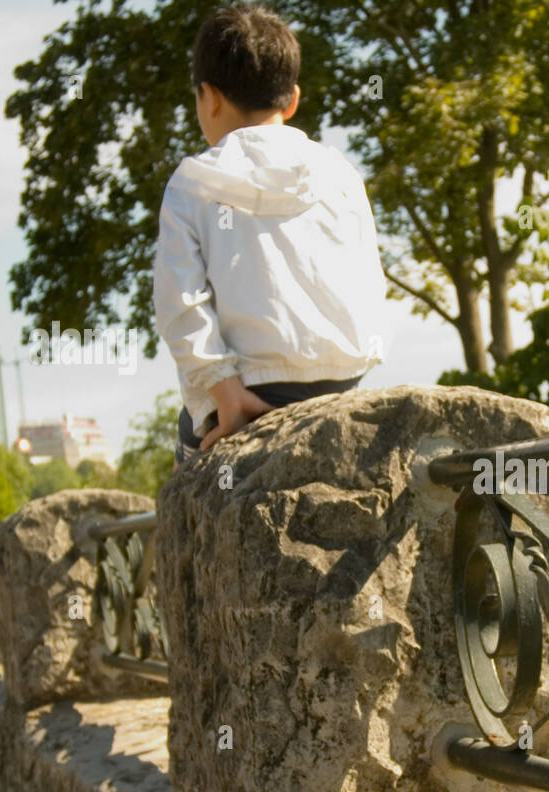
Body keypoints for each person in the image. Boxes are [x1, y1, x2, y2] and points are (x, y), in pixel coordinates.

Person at [154, 4, 387, 466]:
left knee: (186, 460)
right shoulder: (340, 173)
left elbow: (179, 302)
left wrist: (224, 389)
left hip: (250, 388)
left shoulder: (192, 182)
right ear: (293, 99)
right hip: (342, 383)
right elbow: (369, 280)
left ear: (210, 98)